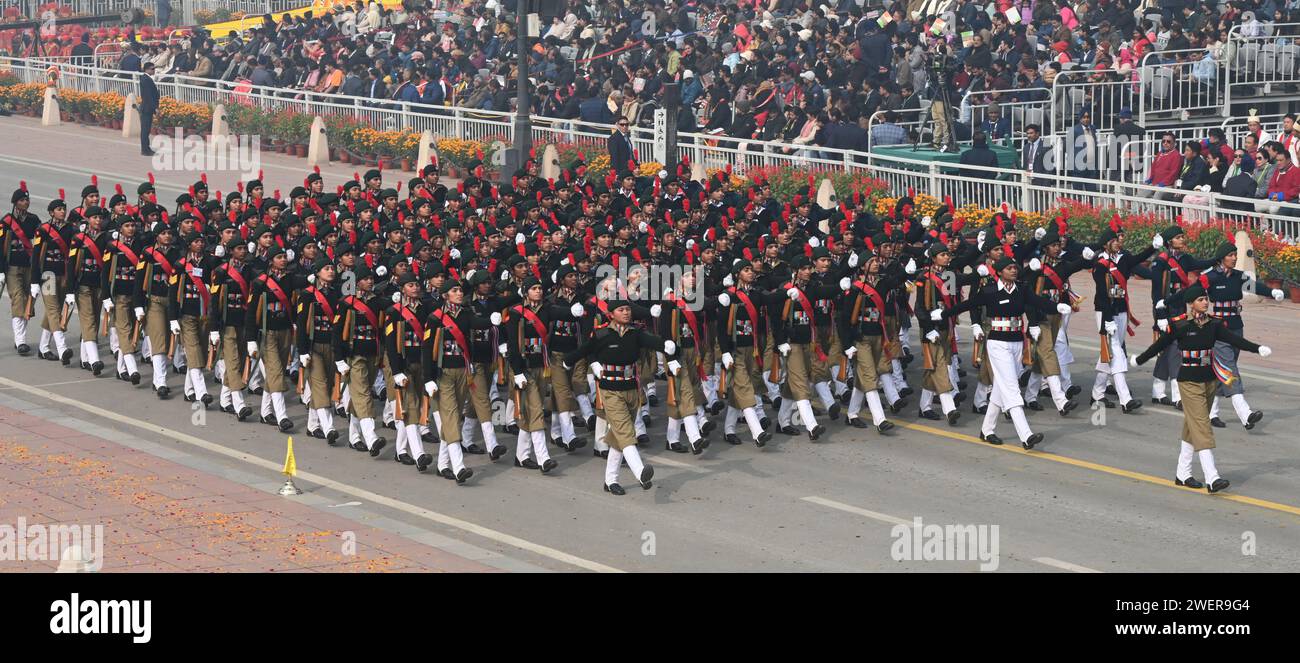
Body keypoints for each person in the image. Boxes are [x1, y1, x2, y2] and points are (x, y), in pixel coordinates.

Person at [1135, 279, 1271, 494]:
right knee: (1203, 427)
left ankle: (1183, 473)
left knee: (1193, 426)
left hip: (1210, 380)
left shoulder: (1214, 324)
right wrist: (1139, 360)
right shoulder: (1180, 324)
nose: (1205, 302)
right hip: (1188, 382)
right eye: (1200, 299)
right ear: (1191, 303)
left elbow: (1236, 341)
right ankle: (1212, 477)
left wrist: (1258, 348)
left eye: (1206, 298)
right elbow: (1160, 345)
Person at [945, 257, 1073, 449]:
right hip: (997, 343)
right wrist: (945, 314)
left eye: (1015, 267)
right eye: (1009, 268)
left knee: (1000, 388)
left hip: (1016, 342)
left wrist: (1056, 307)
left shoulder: (1021, 289)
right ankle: (1026, 435)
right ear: (999, 271)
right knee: (1012, 388)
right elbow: (968, 304)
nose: (1014, 270)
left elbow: (1037, 302)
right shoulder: (989, 290)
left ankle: (987, 430)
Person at [564, 299, 673, 495]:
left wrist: (667, 345)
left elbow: (652, 341)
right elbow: (584, 350)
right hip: (610, 389)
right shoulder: (602, 334)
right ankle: (640, 473)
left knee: (618, 436)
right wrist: (568, 361)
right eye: (621, 310)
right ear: (611, 313)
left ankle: (610, 480)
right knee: (625, 433)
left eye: (628, 310)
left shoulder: (635, 333)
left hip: (631, 388)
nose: (626, 313)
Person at [138, 62, 159, 157]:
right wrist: (155, 107)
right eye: (152, 68)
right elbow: (149, 96)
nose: (153, 70)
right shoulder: (146, 79)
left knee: (146, 130)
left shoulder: (147, 78)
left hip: (147, 107)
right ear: (146, 69)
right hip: (147, 108)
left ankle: (146, 148)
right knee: (145, 130)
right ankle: (145, 149)